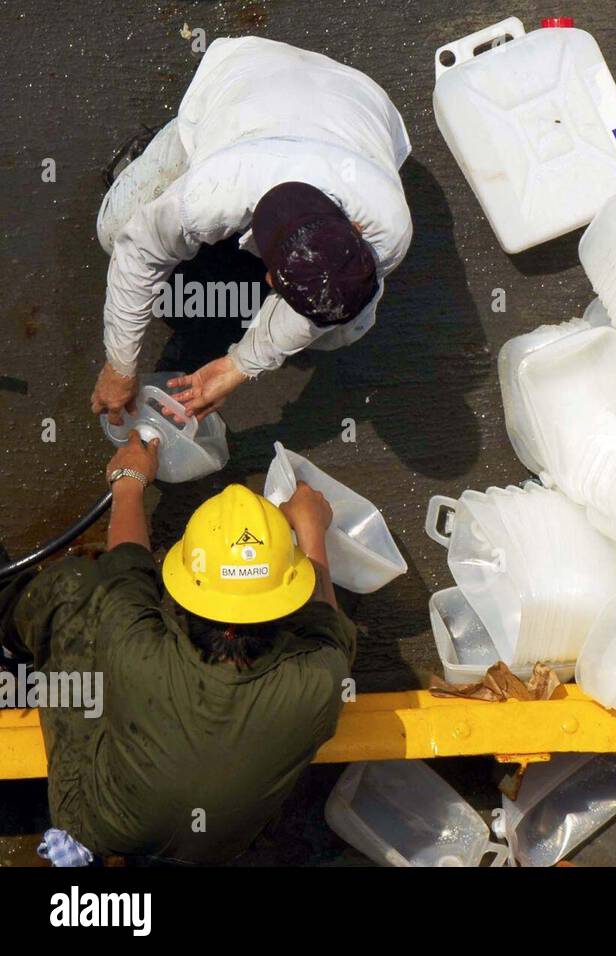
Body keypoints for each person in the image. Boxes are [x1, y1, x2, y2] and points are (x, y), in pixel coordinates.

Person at [0, 432, 356, 864]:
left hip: (98, 822)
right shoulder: (319, 681)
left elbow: (127, 565)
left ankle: (6, 617)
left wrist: (129, 478)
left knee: (74, 590)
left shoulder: (135, 646)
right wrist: (312, 532)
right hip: (215, 850)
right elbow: (326, 625)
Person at [91, 35, 413, 425]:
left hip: (360, 101)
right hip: (243, 78)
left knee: (346, 328)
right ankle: (159, 146)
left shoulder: (390, 228)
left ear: (357, 230)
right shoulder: (212, 192)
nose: (269, 284)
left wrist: (238, 366)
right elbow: (138, 252)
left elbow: (334, 300)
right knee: (114, 229)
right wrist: (120, 366)